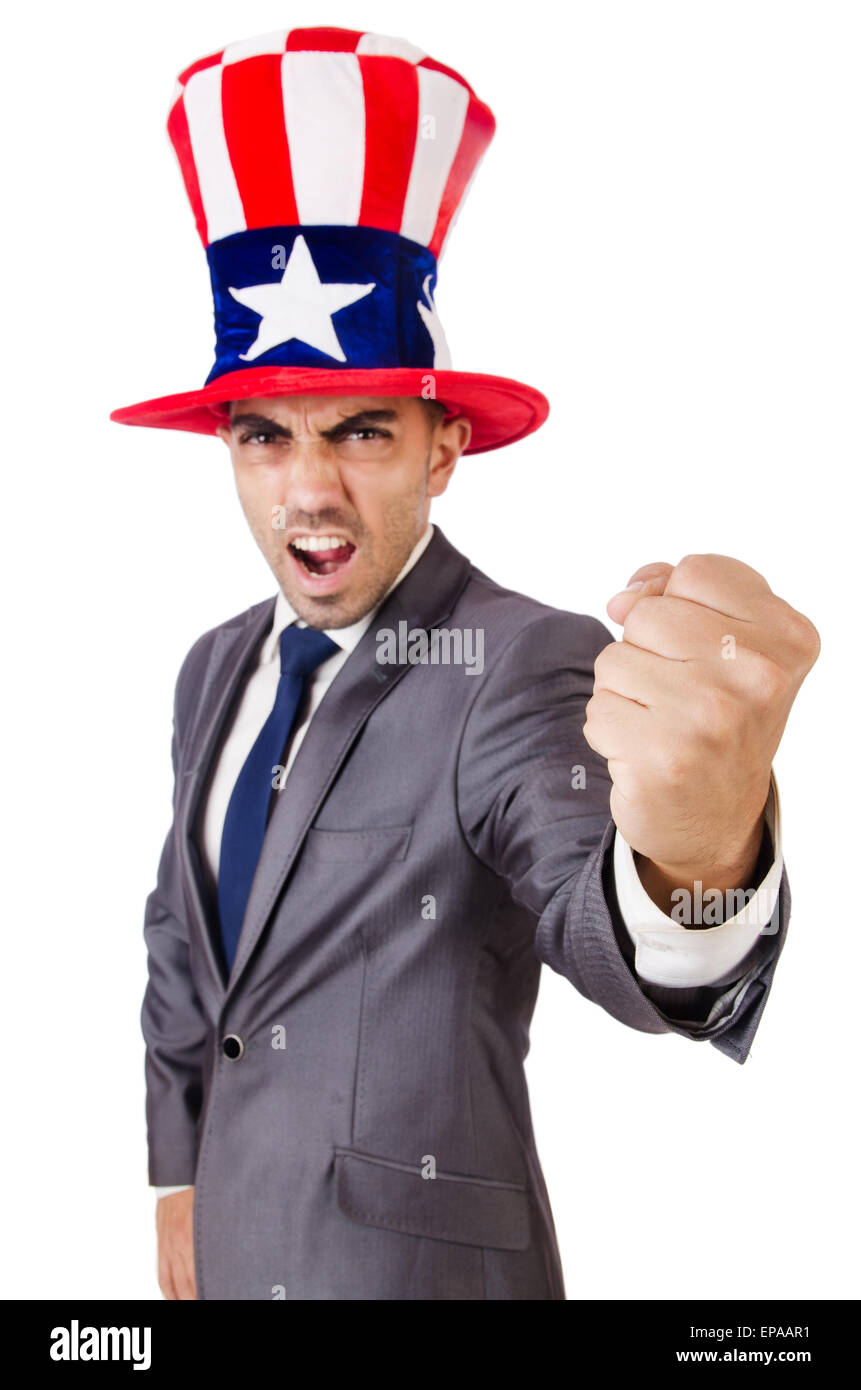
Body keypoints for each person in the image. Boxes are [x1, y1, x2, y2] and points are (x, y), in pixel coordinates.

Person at [112, 25, 819, 1301]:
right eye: (265, 436)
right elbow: (182, 938)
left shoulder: (517, 660)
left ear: (445, 451)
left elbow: (601, 915)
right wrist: (179, 1179)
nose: (308, 488)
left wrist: (700, 857)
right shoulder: (212, 669)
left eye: (363, 431)